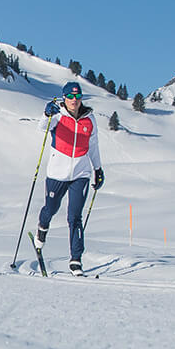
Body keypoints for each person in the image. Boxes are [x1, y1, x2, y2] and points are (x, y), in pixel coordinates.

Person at [33, 81, 104, 273]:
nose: (74, 100)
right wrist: (46, 114)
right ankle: (42, 227)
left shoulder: (89, 119)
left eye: (78, 96)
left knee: (75, 216)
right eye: (71, 96)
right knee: (51, 209)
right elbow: (42, 127)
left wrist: (98, 169)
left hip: (81, 173)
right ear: (64, 98)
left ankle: (76, 259)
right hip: (57, 173)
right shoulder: (57, 114)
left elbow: (93, 146)